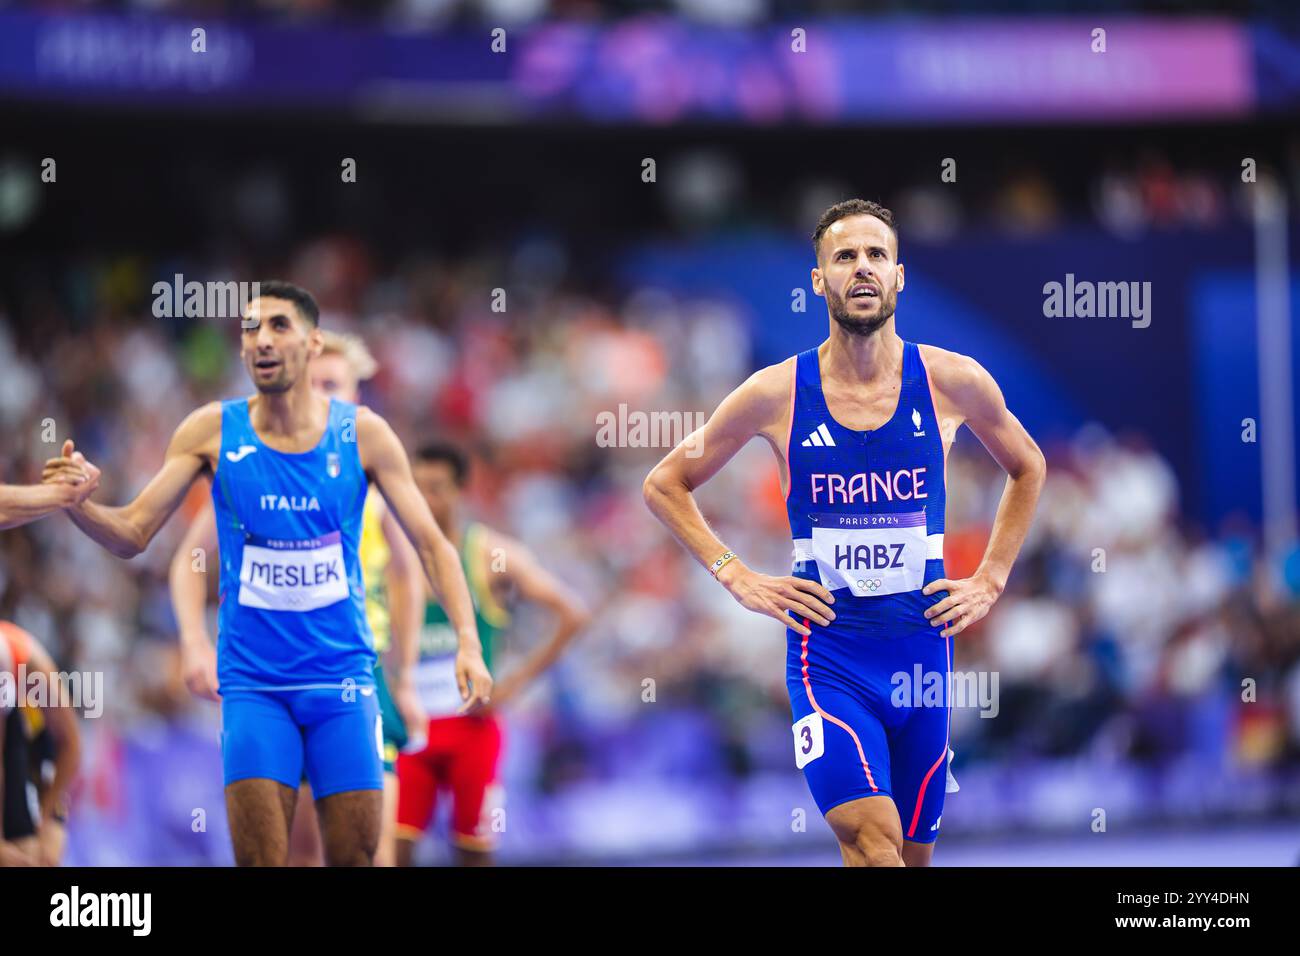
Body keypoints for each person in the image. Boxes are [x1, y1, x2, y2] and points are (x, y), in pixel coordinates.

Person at [644, 199, 1046, 867]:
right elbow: (664, 482)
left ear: (899, 275)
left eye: (876, 255)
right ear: (818, 280)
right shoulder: (774, 393)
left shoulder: (952, 380)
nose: (862, 269)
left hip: (924, 659)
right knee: (871, 839)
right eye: (845, 257)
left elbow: (1028, 466)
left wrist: (993, 576)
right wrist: (733, 573)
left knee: (907, 856)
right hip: (827, 659)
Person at [42, 280, 491, 866]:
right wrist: (76, 505)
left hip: (343, 683)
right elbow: (132, 533)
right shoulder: (210, 431)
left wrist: (467, 642)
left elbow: (431, 548)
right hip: (255, 686)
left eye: (279, 326)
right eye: (251, 328)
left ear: (312, 343)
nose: (262, 340)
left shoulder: (364, 436)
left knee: (358, 859)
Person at [169, 329, 426, 867]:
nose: (320, 395)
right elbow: (188, 561)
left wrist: (405, 677)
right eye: (314, 383)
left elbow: (410, 572)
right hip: (277, 675)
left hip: (357, 675)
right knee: (301, 852)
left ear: (357, 395)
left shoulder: (374, 475)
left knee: (373, 853)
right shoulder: (254, 471)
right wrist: (194, 643)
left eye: (333, 385)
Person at [395, 442, 590, 866]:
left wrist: (515, 683)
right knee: (393, 849)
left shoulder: (490, 555)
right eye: (418, 487)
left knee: (475, 852)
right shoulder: (395, 556)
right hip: (411, 729)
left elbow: (572, 613)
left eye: (437, 488)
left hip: (472, 729)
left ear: (461, 490)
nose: (426, 499)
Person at [0, 620, 81, 867]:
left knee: (27, 848)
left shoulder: (25, 657)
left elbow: (70, 744)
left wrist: (51, 819)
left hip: (26, 746)